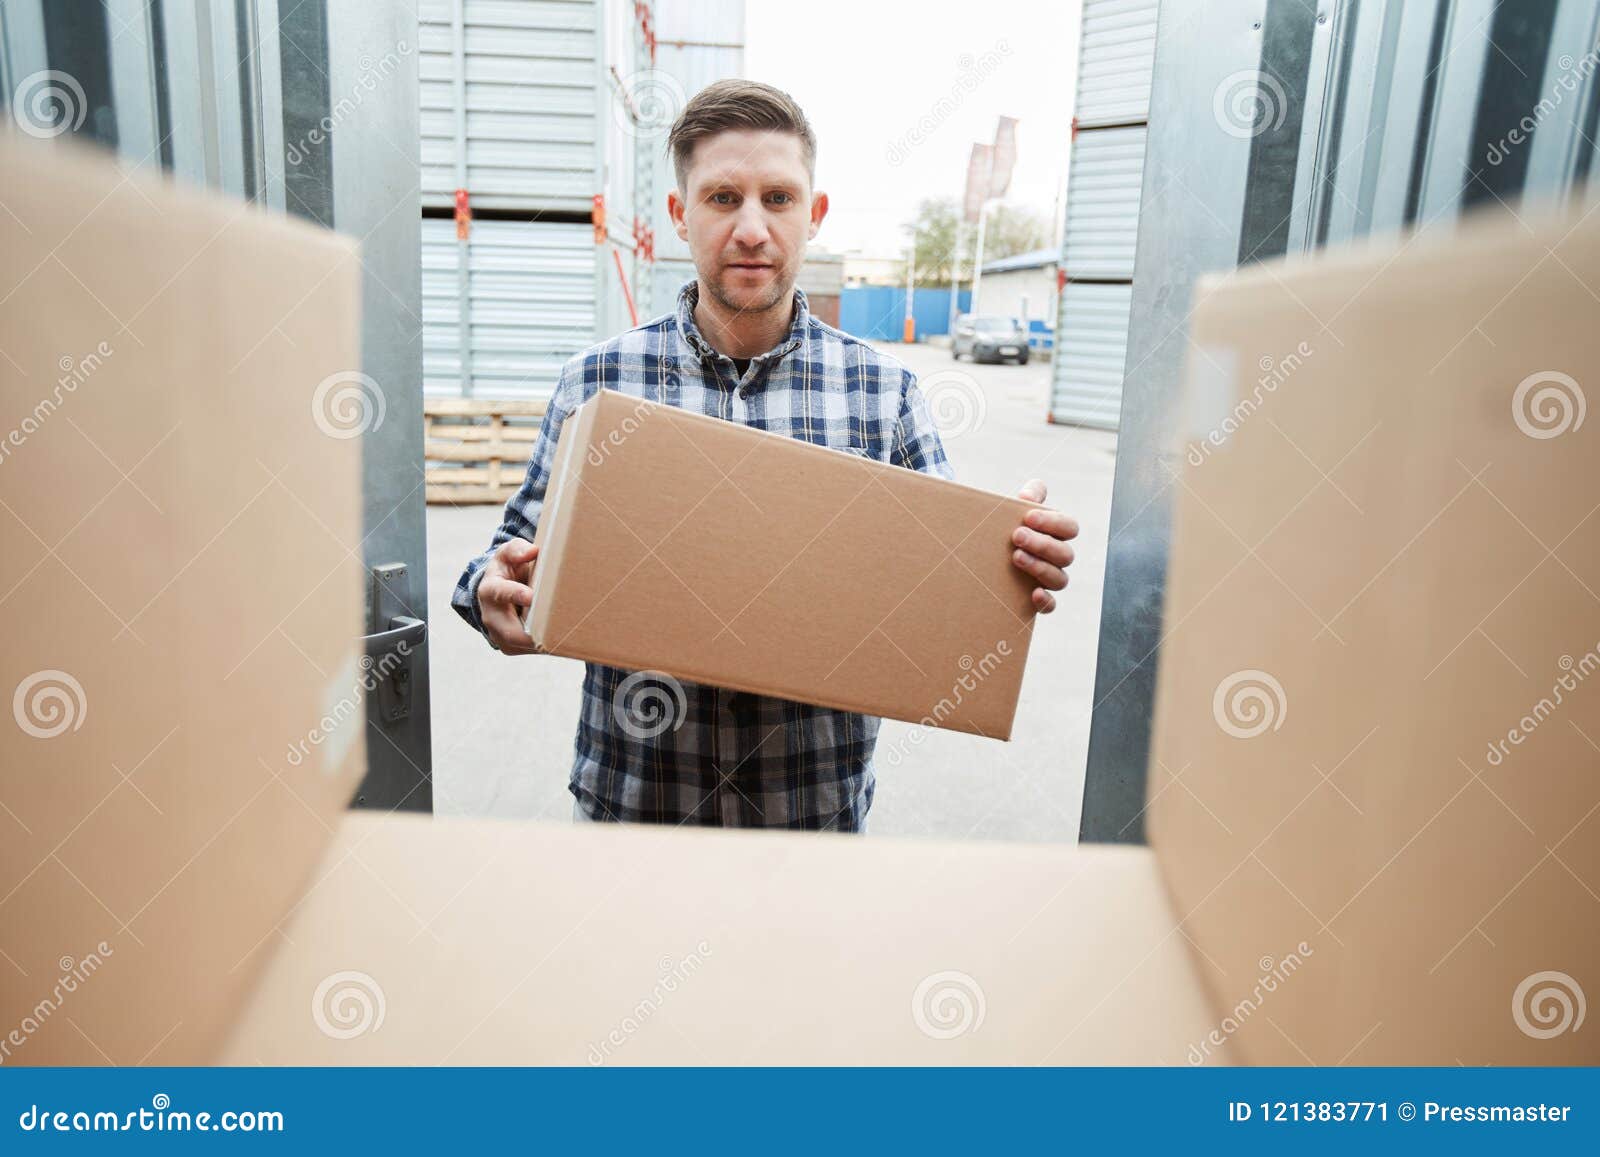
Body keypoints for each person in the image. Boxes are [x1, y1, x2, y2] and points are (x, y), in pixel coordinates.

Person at [452, 79, 1078, 832]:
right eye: (723, 198)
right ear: (681, 215)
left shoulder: (883, 392)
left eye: (778, 199)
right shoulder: (597, 383)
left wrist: (1008, 562)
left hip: (807, 816)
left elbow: (933, 595)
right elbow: (508, 560)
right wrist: (494, 595)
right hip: (632, 812)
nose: (752, 228)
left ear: (813, 215)